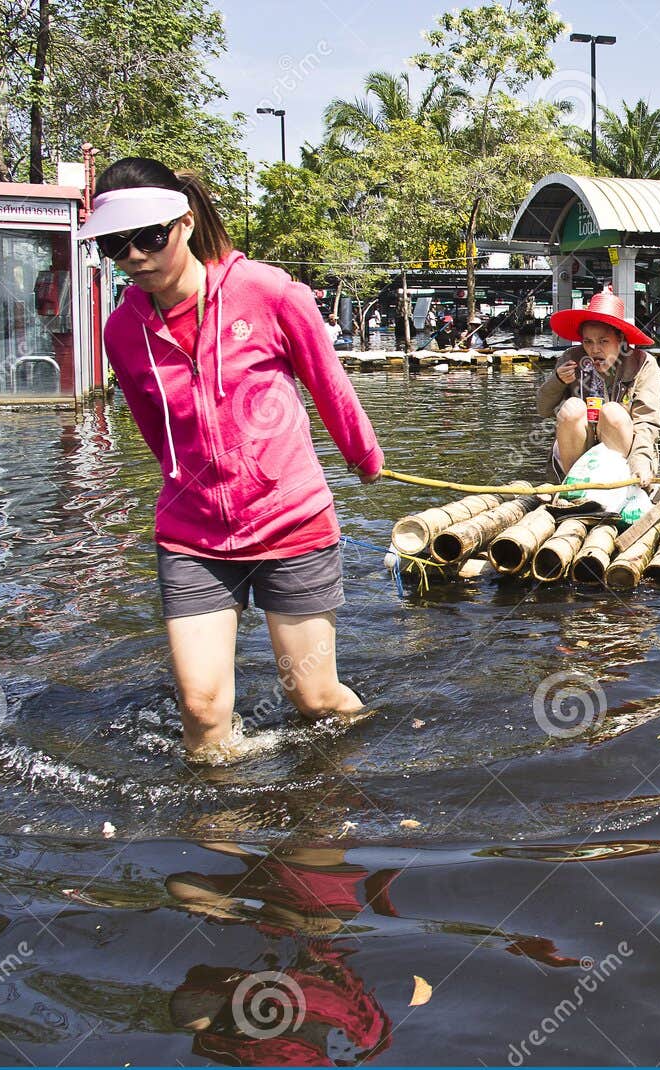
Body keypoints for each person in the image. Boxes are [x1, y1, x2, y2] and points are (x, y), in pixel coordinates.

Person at [79, 157, 384, 763]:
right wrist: (184, 480)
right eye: (118, 244)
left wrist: (363, 454)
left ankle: (362, 774)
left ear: (185, 223)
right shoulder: (120, 330)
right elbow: (151, 426)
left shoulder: (268, 293)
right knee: (202, 710)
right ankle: (223, 834)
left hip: (289, 520)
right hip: (192, 534)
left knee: (314, 699)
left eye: (149, 237)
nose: (136, 255)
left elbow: (328, 382)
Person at [537, 287, 660, 485]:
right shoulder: (571, 359)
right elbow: (543, 410)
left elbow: (647, 423)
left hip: (623, 454)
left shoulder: (643, 364)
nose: (595, 349)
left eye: (604, 341)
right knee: (572, 408)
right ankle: (572, 486)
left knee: (612, 411)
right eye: (588, 342)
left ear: (620, 339)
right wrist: (557, 381)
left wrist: (640, 461)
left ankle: (616, 484)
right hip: (578, 452)